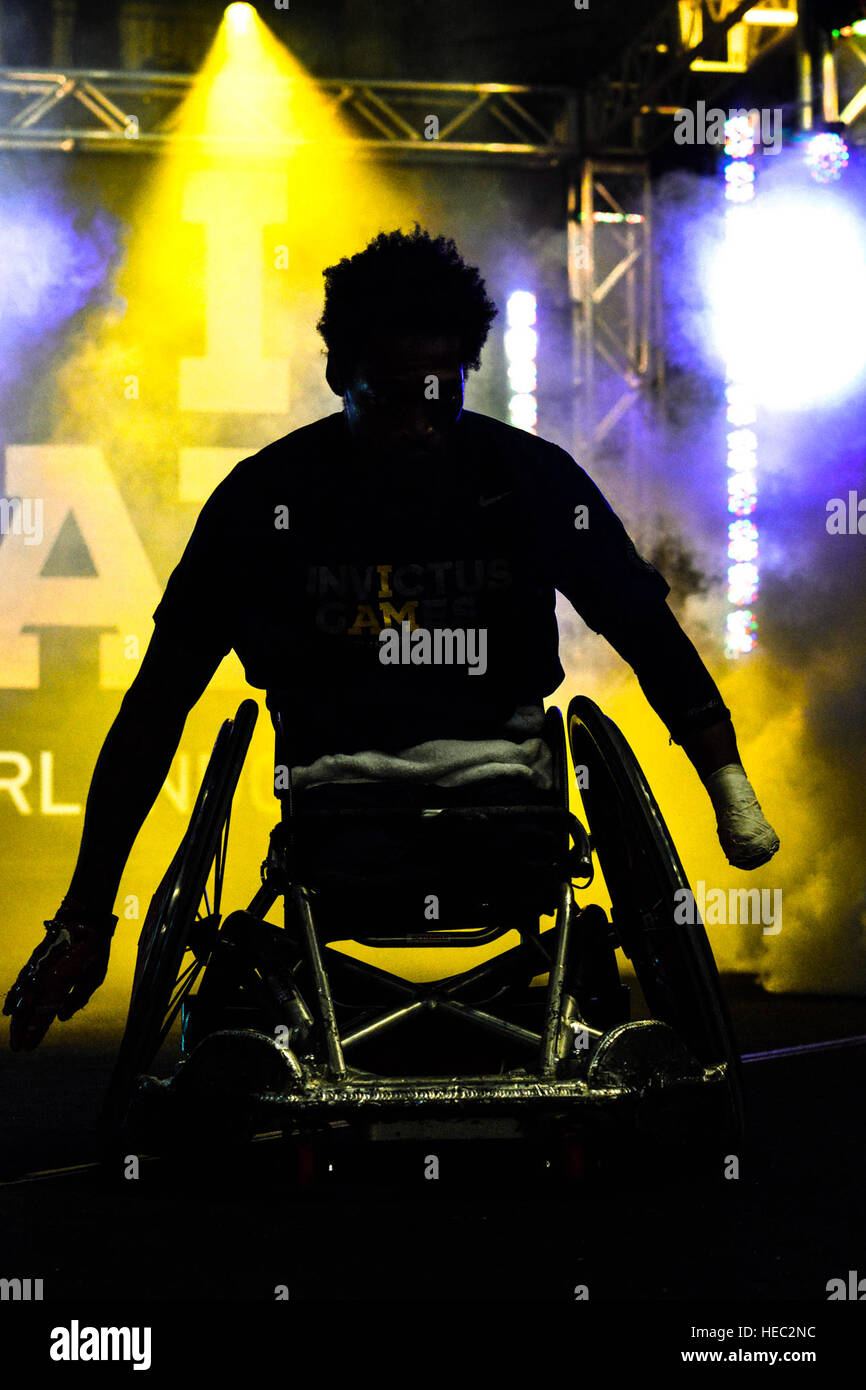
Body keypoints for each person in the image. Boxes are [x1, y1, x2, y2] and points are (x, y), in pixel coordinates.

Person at [3, 225, 779, 1052]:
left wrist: (728, 784)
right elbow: (158, 702)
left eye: (441, 397)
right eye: (393, 399)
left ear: (468, 375)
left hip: (505, 818)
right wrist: (87, 916)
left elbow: (644, 628)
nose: (421, 424)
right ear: (339, 375)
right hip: (339, 823)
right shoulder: (264, 499)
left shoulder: (529, 477)